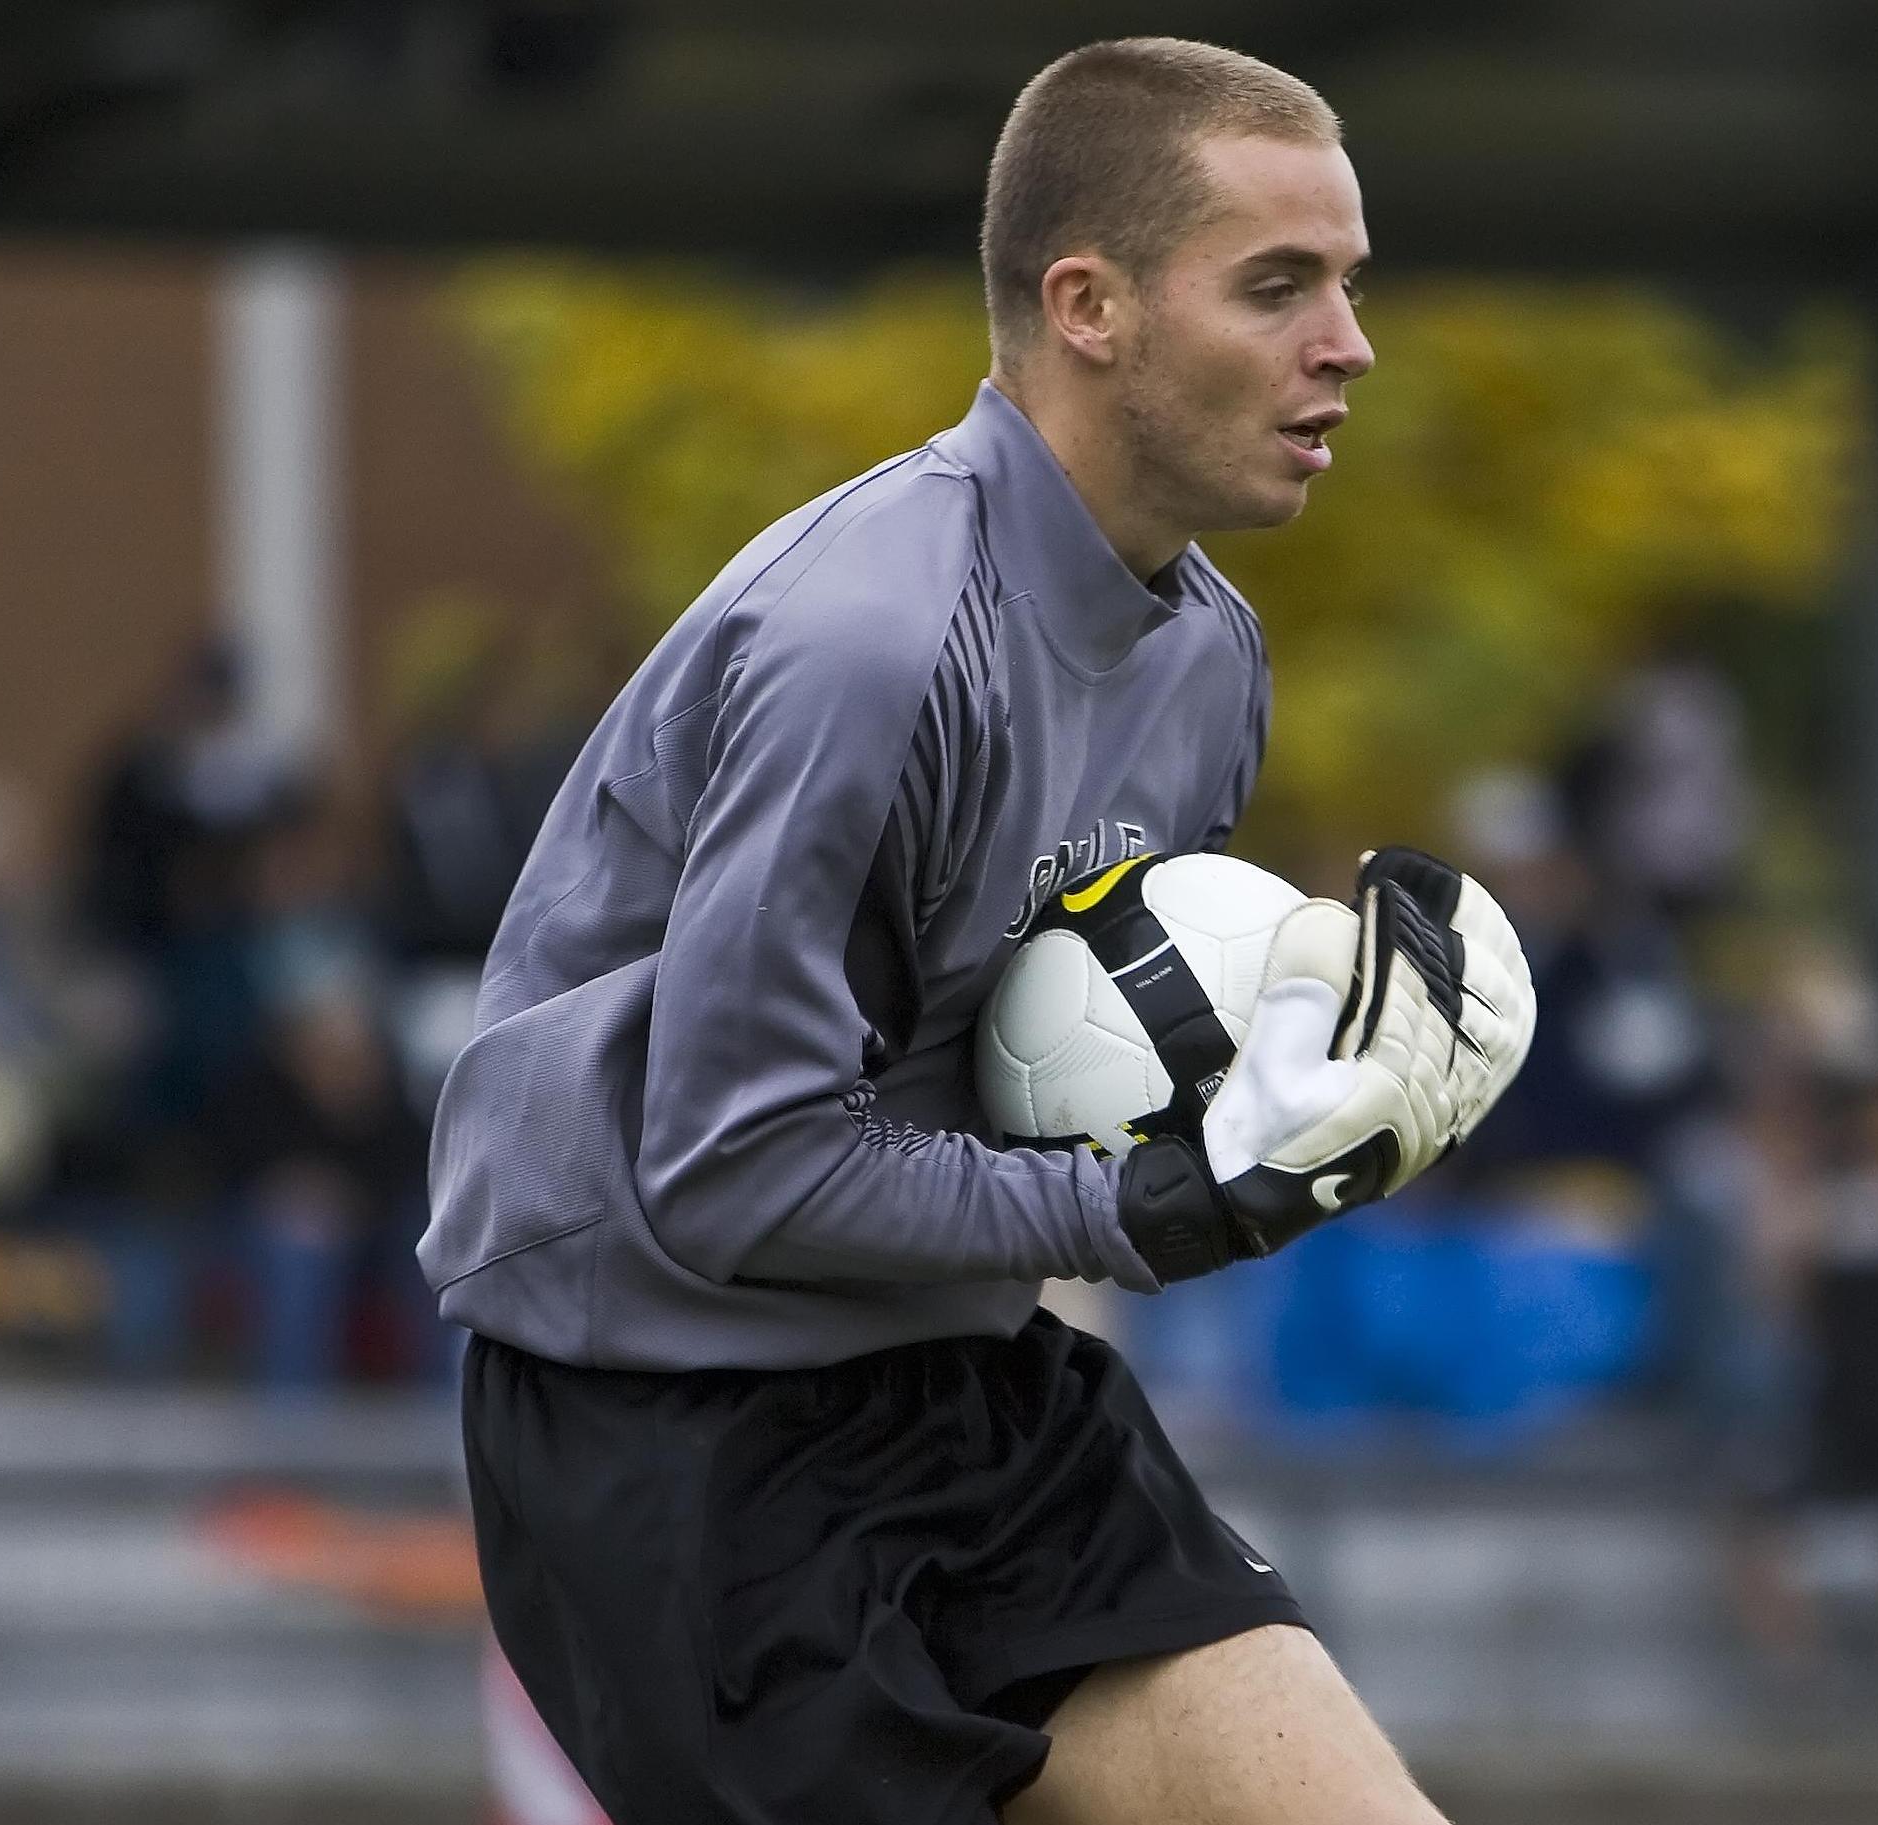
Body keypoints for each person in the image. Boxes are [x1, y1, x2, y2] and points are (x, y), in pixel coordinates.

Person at [422, 39, 1533, 1824]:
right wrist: (1153, 1208)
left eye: (1350, 283)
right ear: (1087, 306)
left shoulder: (1214, 655)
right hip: (671, 1432)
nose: (1351, 344)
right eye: (1279, 286)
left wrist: (1310, 1107)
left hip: (976, 1383)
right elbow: (727, 1172)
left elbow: (1068, 1074)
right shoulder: (858, 644)